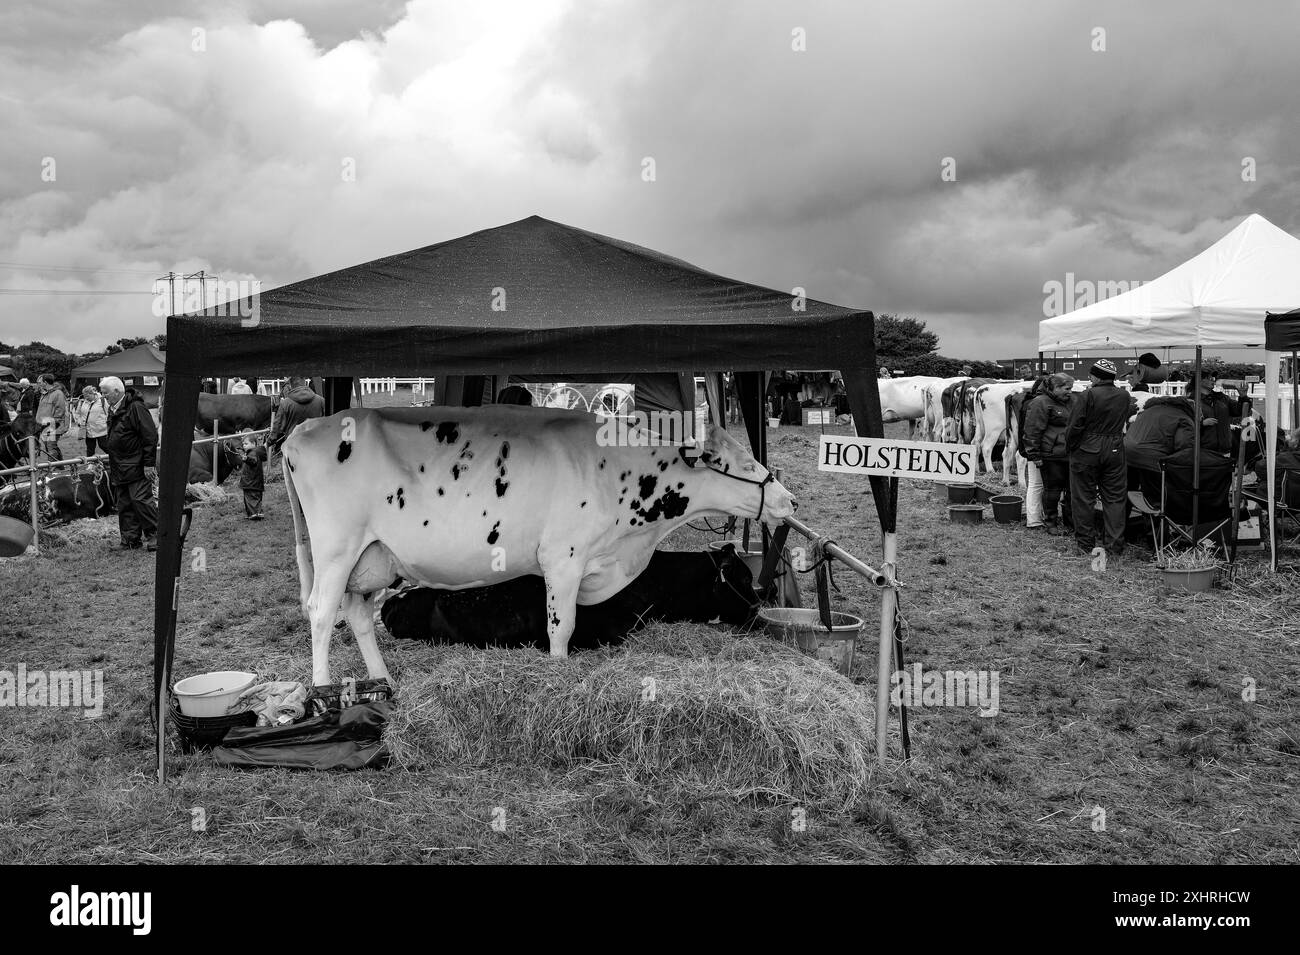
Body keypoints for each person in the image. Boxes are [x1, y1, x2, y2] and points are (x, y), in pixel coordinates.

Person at [1065, 359, 1138, 557]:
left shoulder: (1088, 394)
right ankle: (1114, 546)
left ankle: (1085, 543)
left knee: (1083, 498)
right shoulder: (1124, 395)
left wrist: (1070, 447)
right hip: (1115, 447)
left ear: (1095, 376)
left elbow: (1075, 425)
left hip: (1087, 448)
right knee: (1115, 498)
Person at [100, 376, 159, 550]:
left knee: (140, 500)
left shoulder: (136, 407)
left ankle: (156, 535)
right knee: (124, 503)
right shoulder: (114, 408)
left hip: (136, 464)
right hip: (120, 465)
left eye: (106, 394)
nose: (104, 397)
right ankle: (130, 539)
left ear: (117, 391)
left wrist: (148, 464)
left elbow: (150, 436)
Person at [1023, 373, 1075, 534]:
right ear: (1055, 387)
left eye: (1071, 389)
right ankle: (1051, 523)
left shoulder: (1072, 402)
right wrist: (1034, 455)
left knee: (1071, 490)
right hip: (1051, 455)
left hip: (1069, 453)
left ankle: (1069, 521)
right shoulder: (1040, 403)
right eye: (1067, 389)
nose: (1070, 392)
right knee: (1052, 490)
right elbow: (1032, 430)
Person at [1124, 391, 1195, 477]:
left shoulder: (1148, 410)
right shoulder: (1183, 417)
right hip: (1151, 457)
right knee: (1157, 488)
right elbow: (1184, 445)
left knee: (1133, 487)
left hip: (1126, 453)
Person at [1188, 374, 1242, 455]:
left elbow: (1239, 410)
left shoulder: (1222, 398)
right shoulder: (1191, 401)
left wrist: (1243, 395)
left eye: (1213, 378)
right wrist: (1202, 423)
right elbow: (1186, 425)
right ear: (1200, 381)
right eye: (1210, 378)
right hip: (1202, 451)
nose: (1213, 380)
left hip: (1224, 449)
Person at [268, 376, 326, 452]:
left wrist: (269, 442)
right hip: (315, 446)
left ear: (291, 386)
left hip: (293, 448)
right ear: (305, 383)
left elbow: (277, 428)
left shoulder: (285, 403)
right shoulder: (321, 401)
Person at [35, 374, 67, 461]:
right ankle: (60, 466)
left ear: (45, 382)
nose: (39, 384)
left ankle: (52, 468)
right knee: (50, 447)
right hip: (44, 425)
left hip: (52, 425)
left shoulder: (58, 393)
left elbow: (60, 410)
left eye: (40, 382)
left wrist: (52, 425)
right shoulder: (44, 394)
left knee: (51, 447)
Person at [72, 385, 110, 457]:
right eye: (85, 396)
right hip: (88, 430)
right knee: (90, 448)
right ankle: (91, 464)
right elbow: (77, 413)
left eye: (88, 395)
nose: (86, 397)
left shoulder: (102, 401)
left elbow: (109, 412)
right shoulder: (82, 402)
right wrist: (79, 421)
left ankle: (115, 458)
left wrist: (107, 422)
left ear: (93, 394)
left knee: (104, 446)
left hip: (101, 429)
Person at [239, 434, 268, 519]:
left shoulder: (253, 453)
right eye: (243, 444)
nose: (244, 445)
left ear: (254, 444)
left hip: (250, 481)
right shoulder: (255, 452)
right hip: (256, 481)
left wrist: (246, 459)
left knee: (250, 498)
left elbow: (253, 462)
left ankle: (254, 514)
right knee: (255, 497)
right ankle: (256, 513)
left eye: (246, 443)